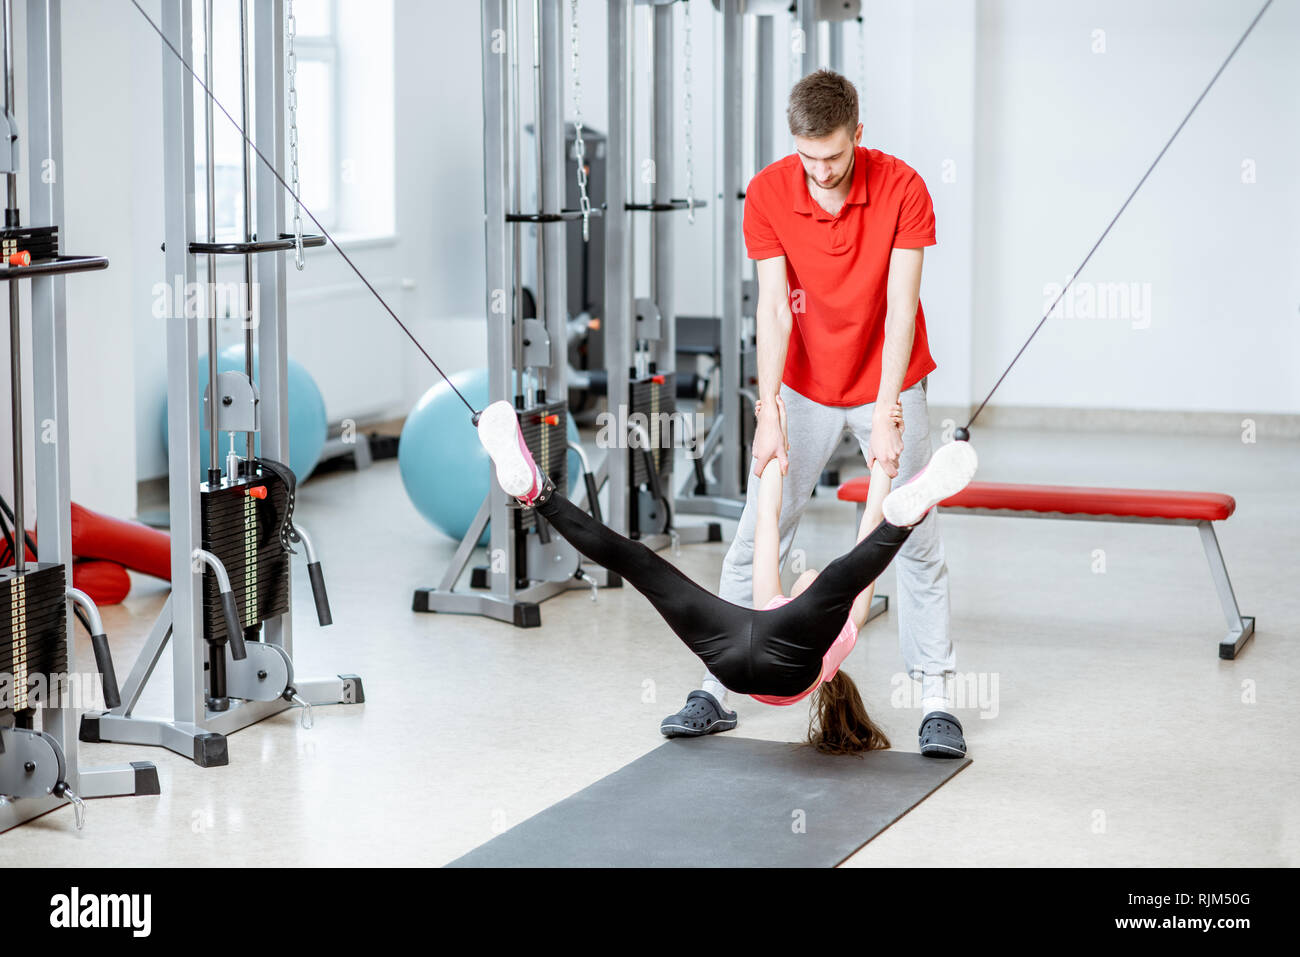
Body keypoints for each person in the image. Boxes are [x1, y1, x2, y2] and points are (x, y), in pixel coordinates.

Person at [662, 68, 965, 758]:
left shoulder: (903, 188)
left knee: (913, 537)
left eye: (833, 155)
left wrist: (889, 409)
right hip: (802, 386)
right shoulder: (769, 192)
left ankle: (938, 699)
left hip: (888, 378)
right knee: (758, 529)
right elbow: (772, 308)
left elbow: (899, 308)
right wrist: (767, 410)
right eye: (808, 157)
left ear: (858, 134)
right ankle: (716, 685)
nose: (821, 171)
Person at [475, 398, 978, 755]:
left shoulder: (815, 624)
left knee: (843, 575)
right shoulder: (833, 628)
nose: (810, 574)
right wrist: (784, 442)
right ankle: (536, 492)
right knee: (640, 562)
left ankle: (906, 514)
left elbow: (795, 535)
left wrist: (882, 468)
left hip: (755, 658)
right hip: (739, 657)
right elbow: (798, 534)